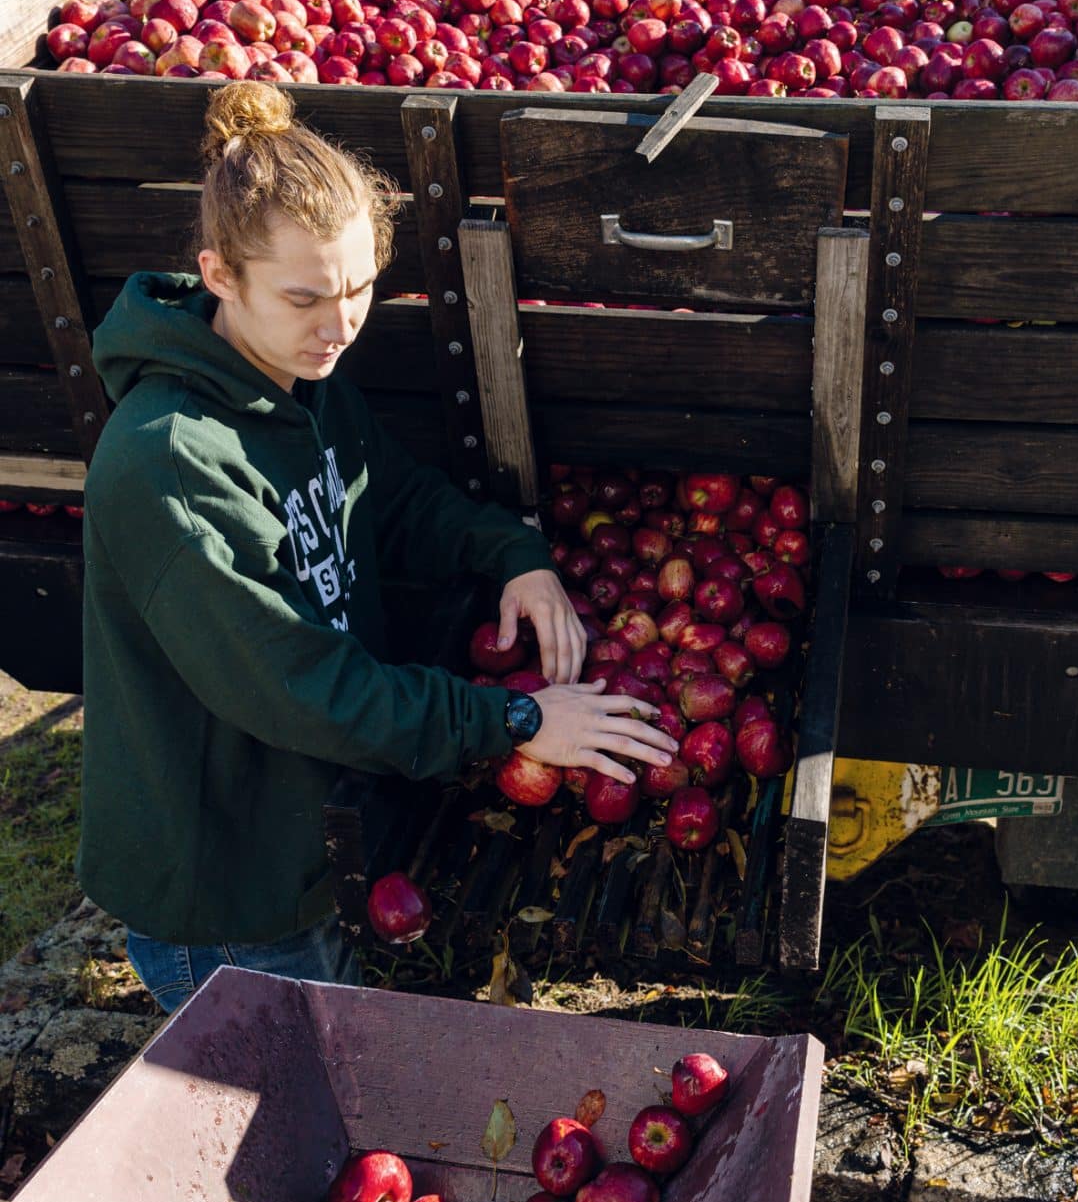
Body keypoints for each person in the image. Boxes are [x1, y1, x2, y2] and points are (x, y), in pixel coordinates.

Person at [78, 79, 676, 1013]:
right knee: (304, 1132)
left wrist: (509, 554)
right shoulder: (171, 466)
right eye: (306, 296)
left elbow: (387, 498)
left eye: (359, 288)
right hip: (230, 888)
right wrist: (515, 724)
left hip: (301, 841)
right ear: (219, 275)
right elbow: (302, 687)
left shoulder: (290, 373)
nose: (341, 324)